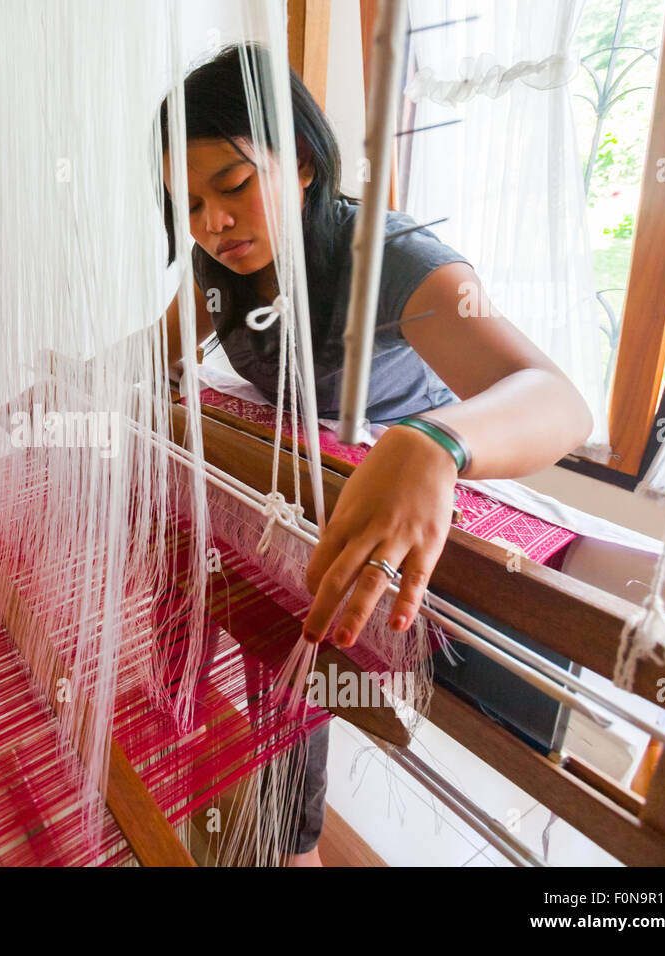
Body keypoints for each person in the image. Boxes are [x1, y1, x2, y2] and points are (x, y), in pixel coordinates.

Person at [159, 44, 592, 865]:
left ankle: (295, 843)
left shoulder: (395, 261)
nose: (213, 222)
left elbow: (559, 400)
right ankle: (290, 836)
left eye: (235, 187)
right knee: (285, 635)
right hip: (304, 479)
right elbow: (153, 355)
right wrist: (70, 385)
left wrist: (435, 442)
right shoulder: (218, 267)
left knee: (333, 641)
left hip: (412, 486)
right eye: (189, 203)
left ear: (308, 166)